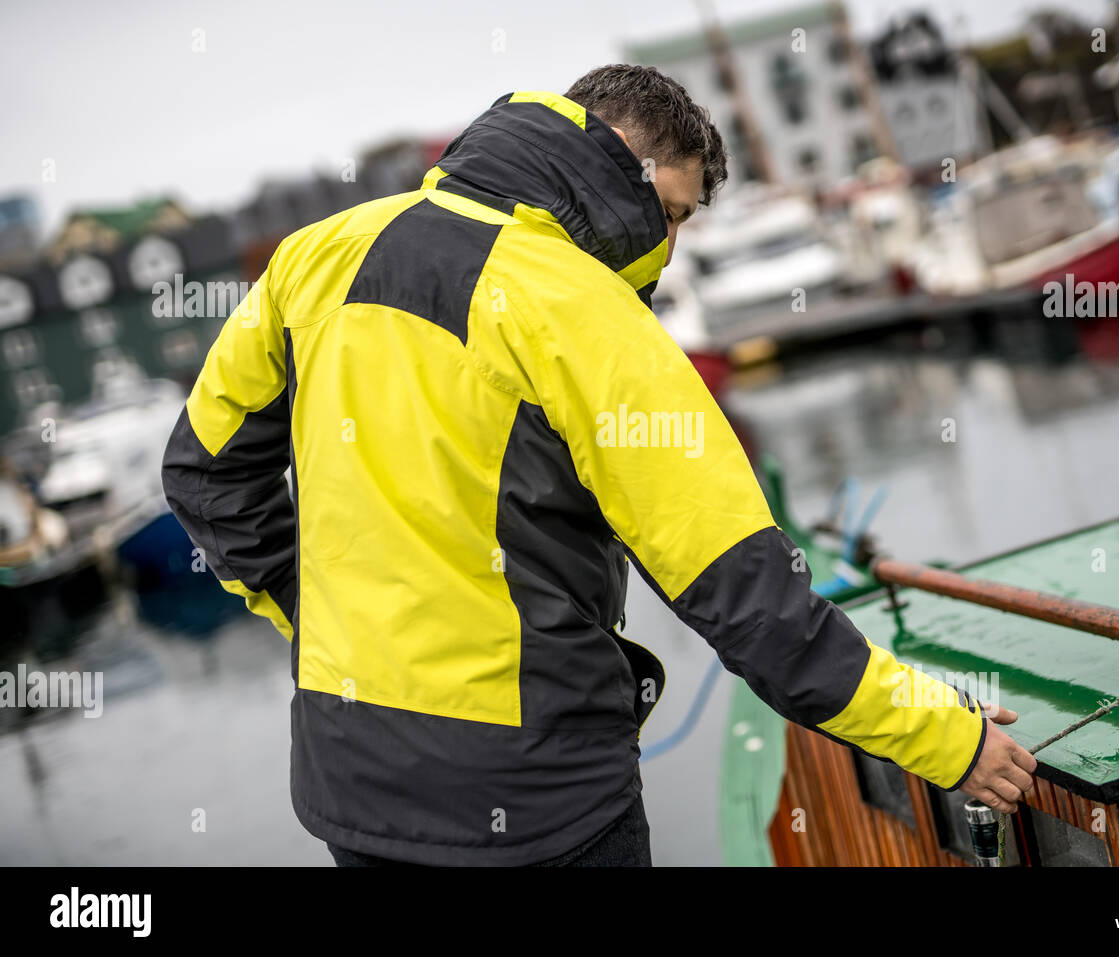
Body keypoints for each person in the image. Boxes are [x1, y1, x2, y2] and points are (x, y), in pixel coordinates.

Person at [160, 64, 1035, 868]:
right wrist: (948, 739)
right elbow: (749, 599)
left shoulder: (313, 258)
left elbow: (204, 472)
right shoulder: (582, 310)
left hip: (352, 785)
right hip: (542, 802)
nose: (672, 249)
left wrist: (312, 617)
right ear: (631, 173)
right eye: (678, 215)